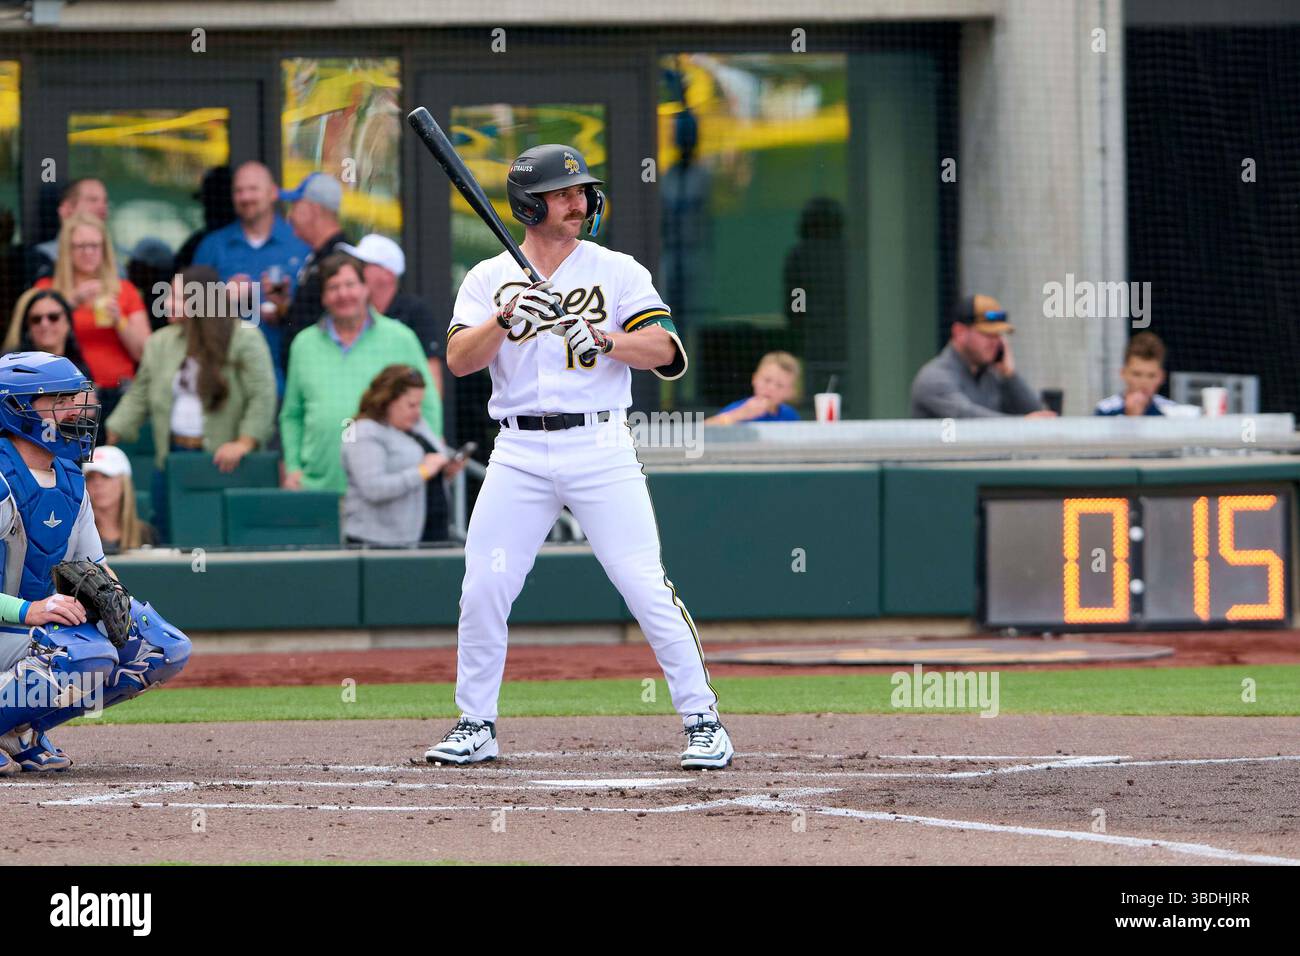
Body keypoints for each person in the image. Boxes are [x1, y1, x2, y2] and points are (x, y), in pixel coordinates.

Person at [423, 144, 732, 771]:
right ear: (529, 204)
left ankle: (704, 720)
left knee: (644, 585)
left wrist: (604, 337)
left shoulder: (617, 269)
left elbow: (666, 351)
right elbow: (459, 361)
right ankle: (475, 722)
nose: (579, 201)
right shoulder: (488, 279)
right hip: (517, 450)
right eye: (564, 194)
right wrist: (505, 323)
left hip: (599, 445)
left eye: (582, 191)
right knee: (484, 584)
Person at [0, 352, 190, 774]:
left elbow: (97, 568)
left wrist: (117, 607)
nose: (75, 410)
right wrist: (29, 610)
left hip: (22, 633)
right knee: (81, 656)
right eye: (58, 399)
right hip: (12, 624)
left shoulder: (70, 479)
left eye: (75, 398)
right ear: (16, 408)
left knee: (158, 646)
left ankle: (19, 729)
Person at [105, 265, 277, 543]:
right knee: (172, 537)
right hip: (171, 459)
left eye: (177, 297)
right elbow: (139, 396)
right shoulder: (160, 342)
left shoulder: (244, 336)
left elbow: (263, 394)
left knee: (217, 539)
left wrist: (244, 443)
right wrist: (108, 435)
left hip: (225, 463)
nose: (167, 303)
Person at [280, 254, 439, 495]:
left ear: (366, 289)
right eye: (333, 287)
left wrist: (431, 453)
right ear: (323, 297)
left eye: (350, 285)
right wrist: (293, 467)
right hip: (319, 487)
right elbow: (292, 414)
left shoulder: (401, 338)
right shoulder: (303, 344)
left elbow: (427, 405)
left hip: (385, 490)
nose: (343, 294)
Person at [192, 161, 311, 390]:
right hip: (226, 379)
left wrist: (285, 309)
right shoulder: (212, 246)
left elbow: (317, 314)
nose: (245, 197)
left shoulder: (299, 244)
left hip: (287, 378)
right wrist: (221, 298)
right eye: (239, 191)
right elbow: (186, 311)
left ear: (272, 193)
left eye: (253, 189)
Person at [34, 213, 150, 422]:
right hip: (64, 397)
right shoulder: (48, 289)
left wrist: (119, 320)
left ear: (105, 250)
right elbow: (33, 341)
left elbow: (145, 353)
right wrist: (69, 303)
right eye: (81, 246)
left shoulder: (124, 290)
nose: (89, 252)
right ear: (67, 251)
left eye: (95, 246)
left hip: (120, 393)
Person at [342, 365, 465, 547]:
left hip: (428, 536)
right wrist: (422, 471)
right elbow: (373, 489)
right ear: (388, 400)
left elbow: (429, 469)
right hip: (379, 543)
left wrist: (445, 470)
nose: (418, 412)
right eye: (411, 405)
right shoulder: (361, 431)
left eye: (419, 404)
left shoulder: (418, 424)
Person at [910, 294, 1057, 419]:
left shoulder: (992, 377)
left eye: (998, 335)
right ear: (959, 332)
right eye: (987, 334)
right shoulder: (935, 377)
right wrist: (1022, 425)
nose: (996, 342)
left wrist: (1009, 375)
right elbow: (966, 417)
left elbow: (1035, 414)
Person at [339, 234, 446, 397]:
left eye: (362, 264)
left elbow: (432, 381)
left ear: (387, 274)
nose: (354, 270)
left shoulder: (415, 312)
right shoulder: (347, 312)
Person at [277, 173, 350, 365]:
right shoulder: (316, 256)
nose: (290, 215)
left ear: (314, 209)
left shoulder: (341, 259)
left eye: (295, 206)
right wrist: (284, 308)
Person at [29, 178, 111, 279]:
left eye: (105, 201)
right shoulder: (40, 259)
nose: (102, 207)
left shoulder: (115, 263)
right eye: (92, 200)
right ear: (67, 210)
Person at [4, 287, 93, 379]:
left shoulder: (81, 370)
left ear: (68, 322)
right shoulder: (13, 370)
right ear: (28, 328)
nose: (44, 324)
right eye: (36, 319)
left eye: (53, 317)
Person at [82, 444, 154, 554]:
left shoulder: (146, 534)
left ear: (124, 483)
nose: (97, 483)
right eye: (90, 478)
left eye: (106, 476)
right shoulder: (78, 535)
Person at [1094, 331, 1181, 416]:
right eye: (1137, 374)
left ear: (1161, 377)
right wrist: (1130, 415)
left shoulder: (1172, 412)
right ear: (1123, 373)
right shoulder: (1105, 410)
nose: (1144, 381)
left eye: (1151, 375)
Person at [705, 351, 802, 423]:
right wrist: (740, 414)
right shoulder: (739, 408)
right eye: (767, 380)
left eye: (780, 385)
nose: (771, 388)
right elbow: (700, 432)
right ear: (754, 379)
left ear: (790, 392)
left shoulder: (790, 415)